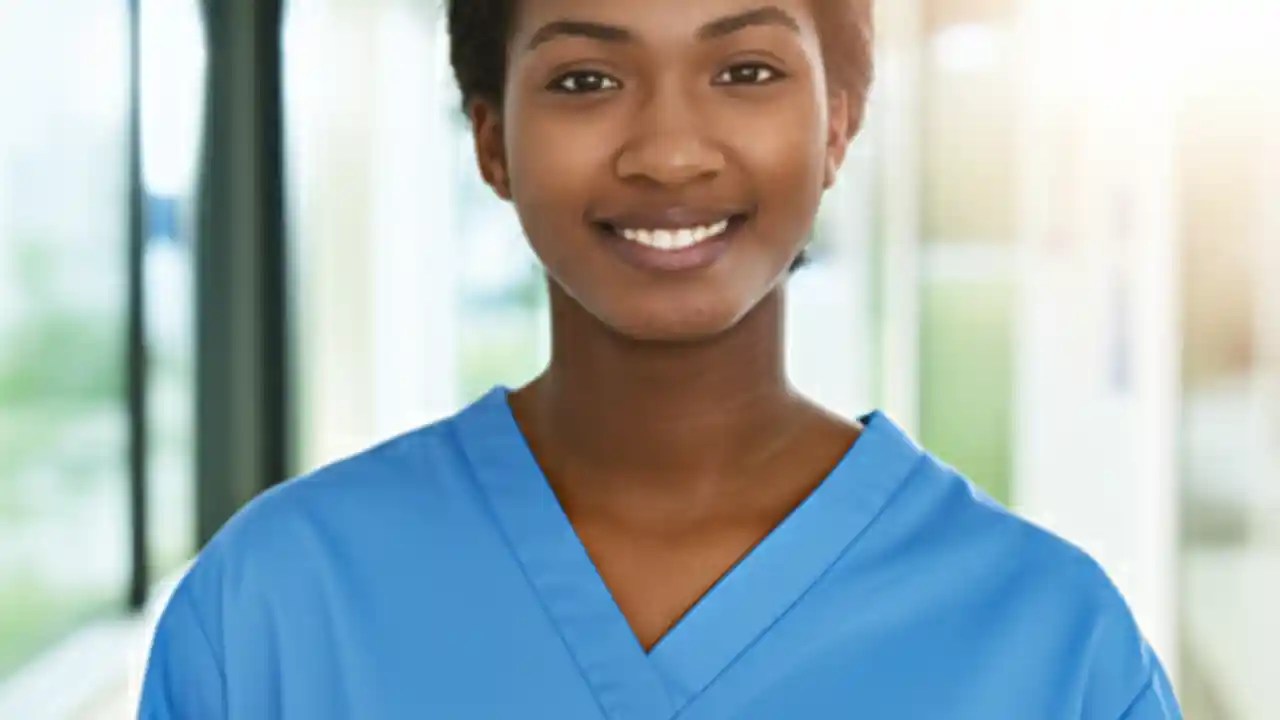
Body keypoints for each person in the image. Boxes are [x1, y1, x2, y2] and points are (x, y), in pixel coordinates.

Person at [139, 0, 1182, 717]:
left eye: (745, 71)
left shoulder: (1049, 641)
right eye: (587, 79)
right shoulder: (275, 606)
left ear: (836, 124)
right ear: (491, 141)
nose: (670, 150)